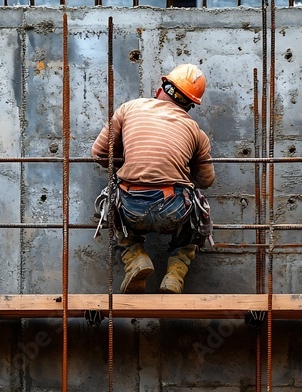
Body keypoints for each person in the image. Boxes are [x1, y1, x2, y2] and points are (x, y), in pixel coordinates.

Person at [91, 63, 215, 294]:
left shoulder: (129, 109)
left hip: (130, 205)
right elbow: (206, 180)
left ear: (162, 88)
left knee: (111, 201)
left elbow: (99, 153)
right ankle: (174, 276)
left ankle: (135, 259)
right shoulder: (196, 131)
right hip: (173, 209)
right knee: (196, 208)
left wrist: (130, 161)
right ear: (190, 105)